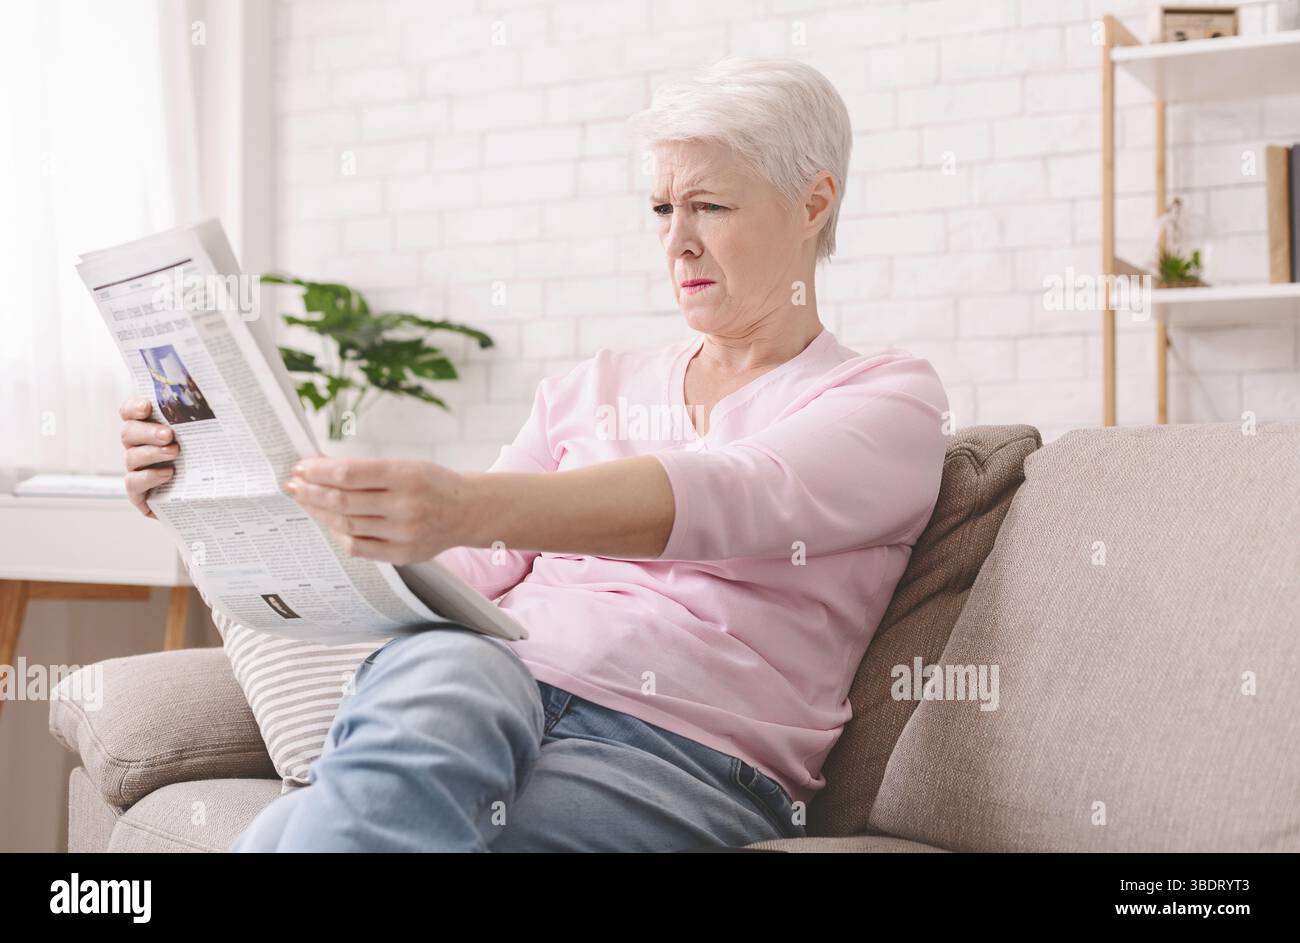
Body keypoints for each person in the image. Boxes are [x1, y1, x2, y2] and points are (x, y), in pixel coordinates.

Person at [118, 56, 950, 852]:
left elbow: (735, 492)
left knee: (382, 823)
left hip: (676, 757)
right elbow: (448, 574)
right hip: (484, 685)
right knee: (438, 677)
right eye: (663, 210)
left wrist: (469, 501)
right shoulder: (592, 386)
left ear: (813, 204)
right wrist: (206, 485)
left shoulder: (889, 399)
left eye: (711, 207)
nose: (678, 242)